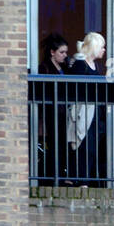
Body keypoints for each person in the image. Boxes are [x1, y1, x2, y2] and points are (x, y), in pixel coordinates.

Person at [66, 31, 106, 186]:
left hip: (94, 110)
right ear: (95, 47)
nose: (104, 50)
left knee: (91, 146)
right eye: (102, 47)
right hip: (82, 111)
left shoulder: (94, 64)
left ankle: (85, 179)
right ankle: (77, 179)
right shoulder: (79, 63)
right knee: (81, 144)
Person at [35, 33, 69, 186]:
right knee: (54, 143)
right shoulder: (44, 68)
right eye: (62, 52)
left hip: (62, 111)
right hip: (50, 112)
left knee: (62, 143)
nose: (65, 55)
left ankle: (61, 174)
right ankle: (52, 176)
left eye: (65, 52)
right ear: (52, 52)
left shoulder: (63, 68)